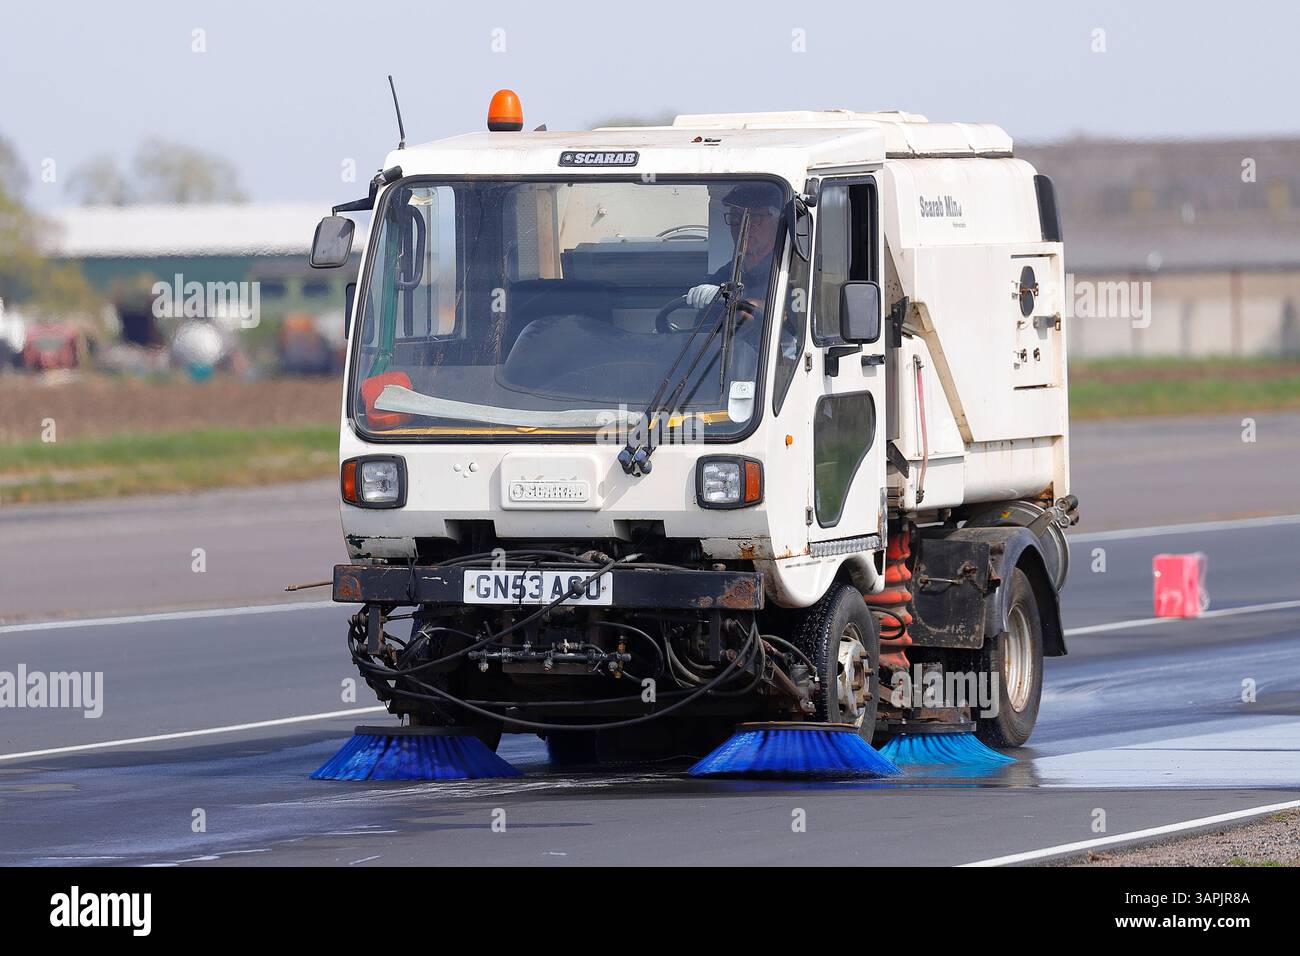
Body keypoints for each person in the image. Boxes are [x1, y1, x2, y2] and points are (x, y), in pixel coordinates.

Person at [684, 183, 782, 316]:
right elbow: (703, 328)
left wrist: (733, 301)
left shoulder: (785, 271)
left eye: (754, 217)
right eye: (736, 217)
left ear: (776, 222)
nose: (744, 225)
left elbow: (786, 316)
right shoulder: (724, 275)